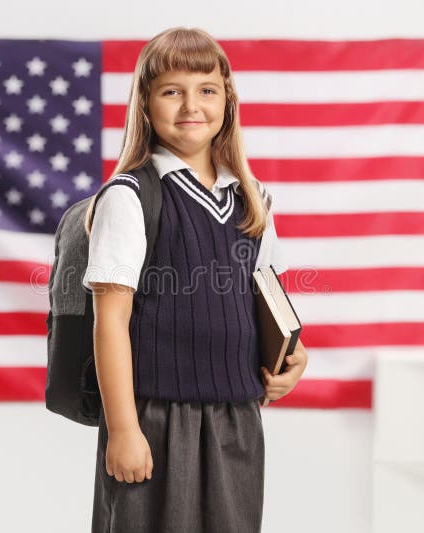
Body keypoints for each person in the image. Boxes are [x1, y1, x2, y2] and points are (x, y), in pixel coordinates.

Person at [82, 27, 308, 533]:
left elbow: (270, 302)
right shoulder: (131, 195)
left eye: (206, 90)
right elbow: (111, 322)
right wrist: (122, 429)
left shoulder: (253, 199)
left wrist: (295, 358)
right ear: (145, 104)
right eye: (171, 91)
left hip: (236, 419)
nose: (191, 105)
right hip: (155, 419)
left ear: (228, 100)